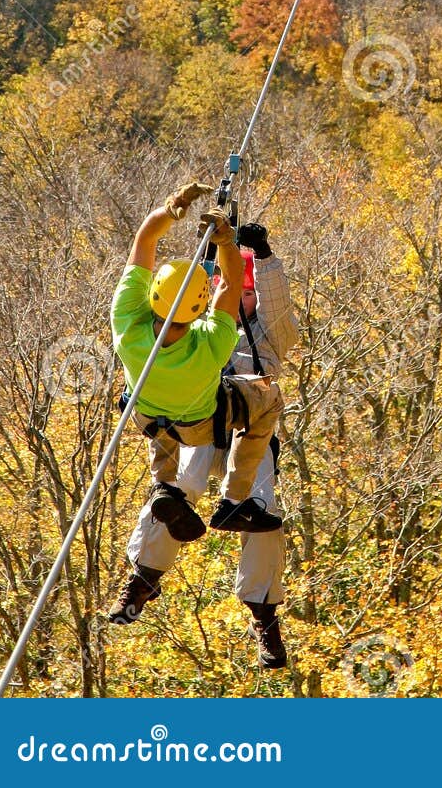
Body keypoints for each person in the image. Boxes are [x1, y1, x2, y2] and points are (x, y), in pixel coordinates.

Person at [109, 216, 299, 670]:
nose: (244, 300)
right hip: (201, 425)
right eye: (242, 294)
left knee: (264, 506)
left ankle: (264, 615)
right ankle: (143, 578)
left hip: (243, 436)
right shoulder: (205, 332)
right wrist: (217, 252)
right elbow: (204, 304)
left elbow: (273, 306)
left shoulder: (270, 337)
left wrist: (264, 260)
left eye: (251, 296)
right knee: (181, 485)